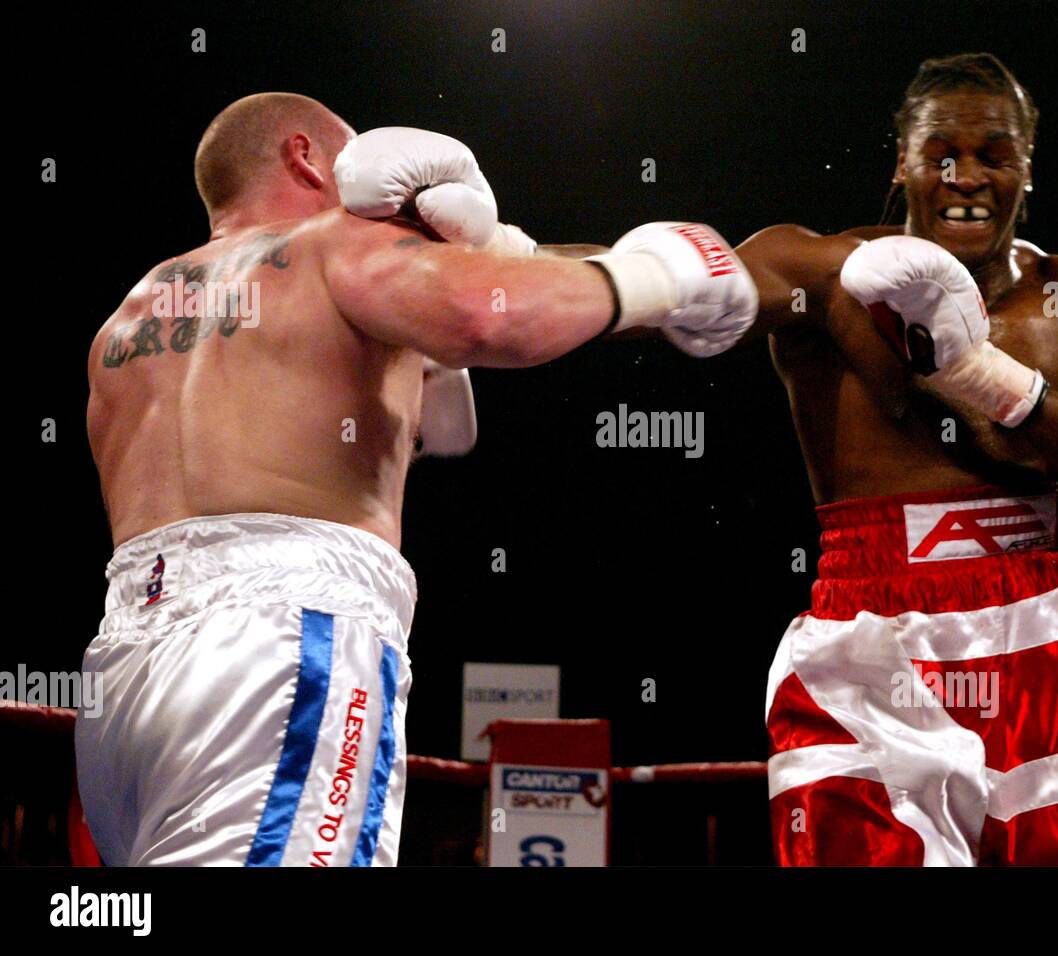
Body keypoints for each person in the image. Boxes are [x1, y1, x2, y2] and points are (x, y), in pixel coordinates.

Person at [77, 92, 757, 866]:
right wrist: (658, 274)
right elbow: (490, 318)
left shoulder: (129, 323)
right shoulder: (332, 241)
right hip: (283, 638)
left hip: (126, 668)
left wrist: (465, 294)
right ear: (307, 156)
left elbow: (433, 431)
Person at [737, 54, 1058, 866]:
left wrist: (993, 385)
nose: (965, 175)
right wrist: (496, 274)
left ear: (1027, 169)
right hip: (878, 650)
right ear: (903, 162)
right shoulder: (828, 275)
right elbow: (682, 283)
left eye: (993, 153)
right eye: (942, 152)